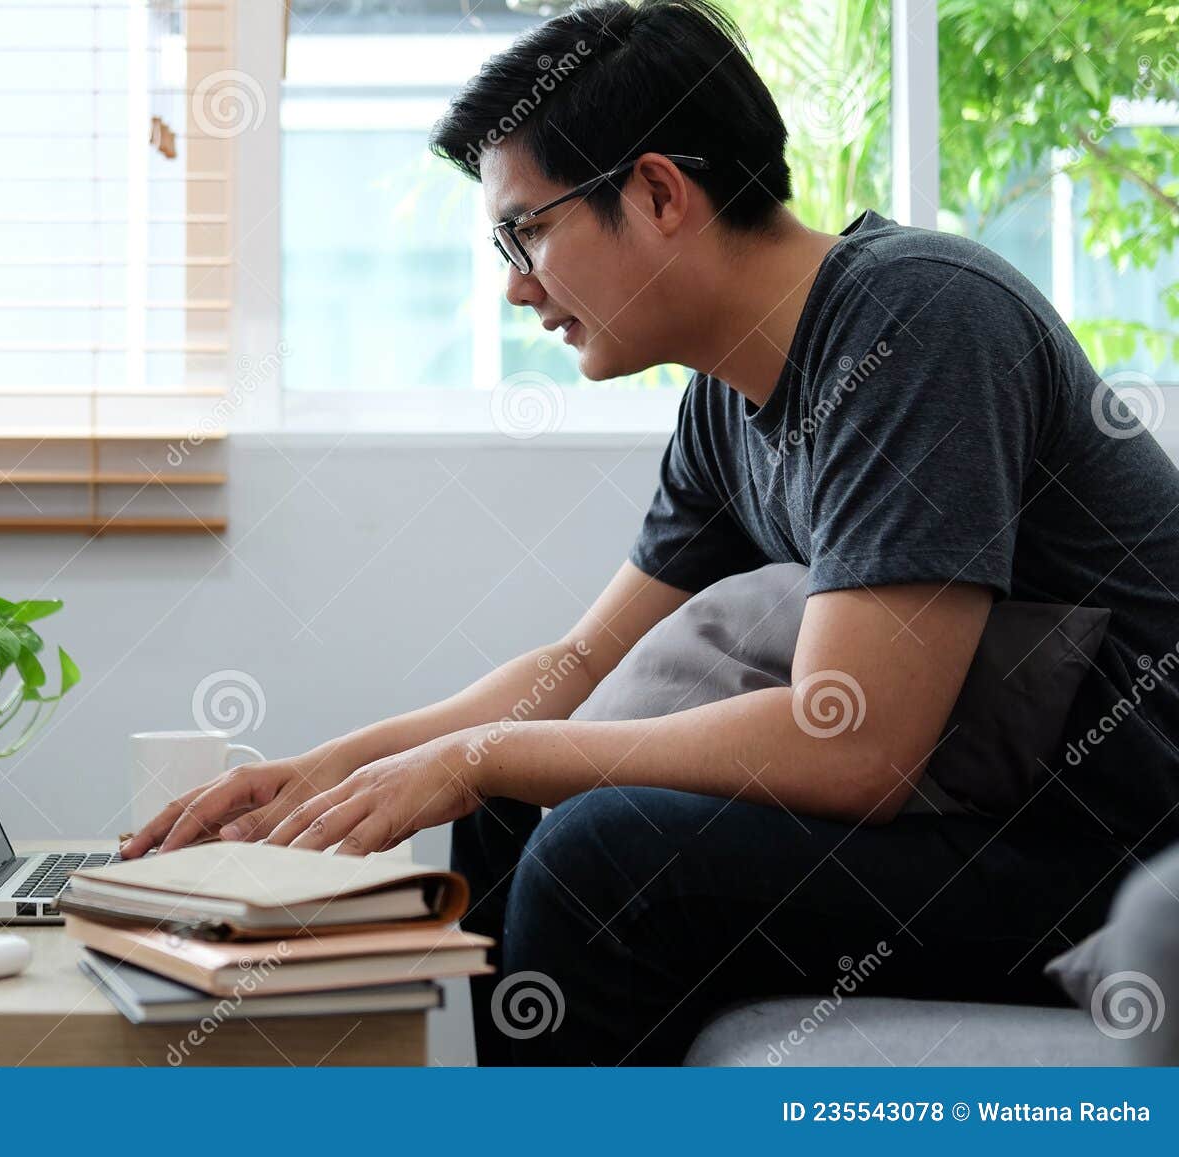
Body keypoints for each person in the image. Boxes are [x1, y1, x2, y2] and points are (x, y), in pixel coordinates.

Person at [121, 0, 1179, 1064]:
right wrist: (335, 767)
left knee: (594, 849)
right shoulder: (726, 401)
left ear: (659, 191)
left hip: (1115, 855)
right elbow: (581, 660)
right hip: (999, 821)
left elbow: (854, 741)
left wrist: (483, 752)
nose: (512, 285)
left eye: (525, 228)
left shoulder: (919, 320)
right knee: (498, 799)